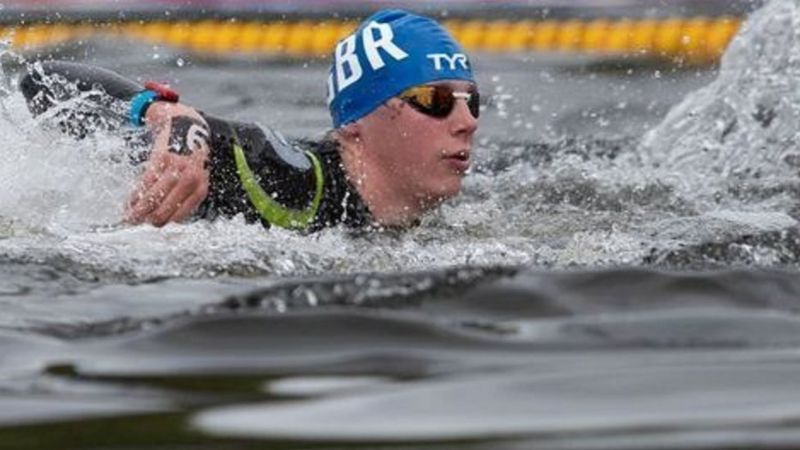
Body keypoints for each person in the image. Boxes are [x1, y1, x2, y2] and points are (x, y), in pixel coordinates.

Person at [20, 9, 480, 232]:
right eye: (436, 100)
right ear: (358, 119)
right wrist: (164, 113)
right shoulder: (284, 177)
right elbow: (41, 81)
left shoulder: (445, 220)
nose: (466, 122)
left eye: (471, 102)